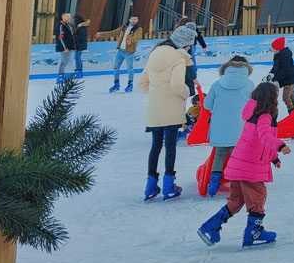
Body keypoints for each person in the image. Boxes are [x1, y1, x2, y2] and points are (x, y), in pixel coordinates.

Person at [197, 82, 290, 248]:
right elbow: (265, 137)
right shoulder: (265, 116)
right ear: (271, 99)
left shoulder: (251, 114)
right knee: (258, 196)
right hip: (250, 167)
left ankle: (210, 227)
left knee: (236, 200)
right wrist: (280, 146)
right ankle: (254, 233)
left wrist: (273, 158)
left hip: (238, 164)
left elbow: (256, 142)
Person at [141, 24, 197, 201]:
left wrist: (156, 93)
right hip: (171, 107)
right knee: (170, 146)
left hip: (155, 108)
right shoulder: (178, 58)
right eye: (189, 45)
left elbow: (142, 83)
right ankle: (168, 185)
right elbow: (177, 85)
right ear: (184, 44)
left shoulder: (155, 53)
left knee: (156, 146)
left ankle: (150, 186)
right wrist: (187, 93)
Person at [204, 55, 255, 196]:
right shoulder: (249, 84)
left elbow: (207, 105)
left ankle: (213, 185)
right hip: (239, 128)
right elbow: (253, 106)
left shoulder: (217, 83)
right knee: (237, 157)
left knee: (219, 155)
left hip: (219, 127)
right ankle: (237, 185)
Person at [98, 14, 142, 93]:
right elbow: (114, 32)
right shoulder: (124, 27)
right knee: (116, 68)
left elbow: (137, 37)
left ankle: (130, 84)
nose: (134, 21)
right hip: (120, 51)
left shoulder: (138, 29)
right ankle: (116, 84)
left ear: (137, 20)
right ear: (129, 19)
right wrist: (102, 34)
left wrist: (131, 40)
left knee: (130, 68)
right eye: (133, 19)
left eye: (136, 19)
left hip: (129, 52)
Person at [267, 37, 294, 113]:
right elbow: (275, 67)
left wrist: (276, 79)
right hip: (287, 78)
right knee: (290, 95)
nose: (272, 50)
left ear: (278, 48)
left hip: (289, 79)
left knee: (286, 97)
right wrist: (271, 74)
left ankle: (292, 112)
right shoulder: (278, 55)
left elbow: (284, 71)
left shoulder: (284, 56)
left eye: (273, 48)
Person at [54, 13, 76, 83]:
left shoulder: (68, 25)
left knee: (66, 61)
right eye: (67, 17)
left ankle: (63, 76)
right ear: (63, 18)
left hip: (69, 47)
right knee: (64, 62)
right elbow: (61, 38)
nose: (69, 19)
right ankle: (60, 76)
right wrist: (65, 48)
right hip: (64, 47)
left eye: (69, 17)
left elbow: (71, 36)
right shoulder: (61, 26)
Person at [72, 14, 90, 78]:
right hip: (79, 45)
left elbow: (81, 37)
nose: (74, 21)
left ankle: (79, 72)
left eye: (74, 19)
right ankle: (79, 71)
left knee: (77, 58)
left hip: (79, 45)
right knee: (78, 58)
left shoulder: (81, 27)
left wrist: (74, 36)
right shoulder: (80, 26)